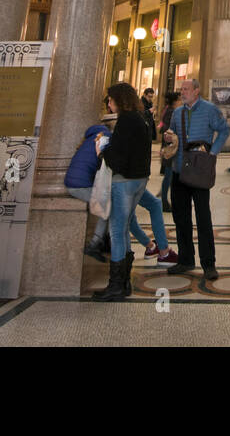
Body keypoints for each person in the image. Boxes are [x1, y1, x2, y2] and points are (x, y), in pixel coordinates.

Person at [92, 82, 154, 302]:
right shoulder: (140, 117)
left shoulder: (126, 121)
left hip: (125, 180)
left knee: (117, 230)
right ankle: (125, 282)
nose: (109, 103)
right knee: (125, 226)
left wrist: (101, 152)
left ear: (119, 99)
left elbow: (118, 155)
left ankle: (116, 286)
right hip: (139, 179)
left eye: (110, 99)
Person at [166, 77, 229, 280]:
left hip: (199, 170)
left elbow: (224, 129)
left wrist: (213, 152)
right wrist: (168, 137)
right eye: (181, 89)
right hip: (179, 170)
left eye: (186, 89)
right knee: (181, 217)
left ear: (196, 91)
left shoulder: (209, 110)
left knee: (203, 217)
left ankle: (208, 263)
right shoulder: (177, 112)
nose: (182, 92)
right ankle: (185, 259)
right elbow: (173, 133)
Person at [65, 119, 114, 260]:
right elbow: (107, 163)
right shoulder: (105, 139)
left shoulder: (90, 138)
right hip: (80, 186)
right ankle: (95, 244)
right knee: (106, 206)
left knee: (106, 203)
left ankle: (104, 240)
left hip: (73, 182)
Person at [157, 91, 181, 212]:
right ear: (175, 101)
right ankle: (164, 201)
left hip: (170, 147)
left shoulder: (169, 110)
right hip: (172, 148)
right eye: (179, 99)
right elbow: (170, 131)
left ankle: (165, 198)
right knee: (169, 176)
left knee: (170, 175)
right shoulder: (173, 112)